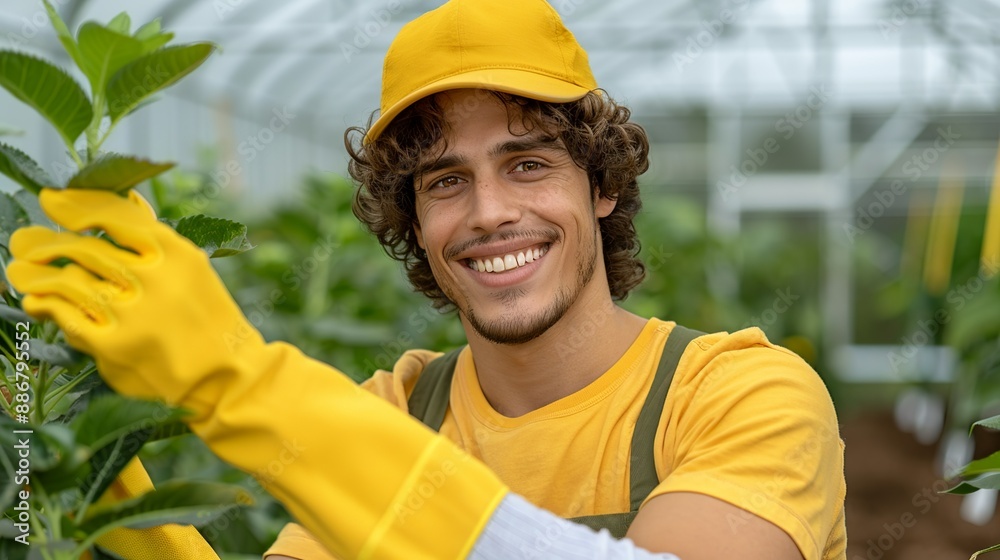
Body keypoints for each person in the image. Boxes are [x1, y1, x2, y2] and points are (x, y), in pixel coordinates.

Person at [7, 0, 846, 558]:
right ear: (410, 220)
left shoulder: (743, 396)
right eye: (445, 181)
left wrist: (236, 383)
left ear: (602, 184)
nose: (488, 213)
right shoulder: (395, 413)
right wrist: (85, 479)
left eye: (526, 163)